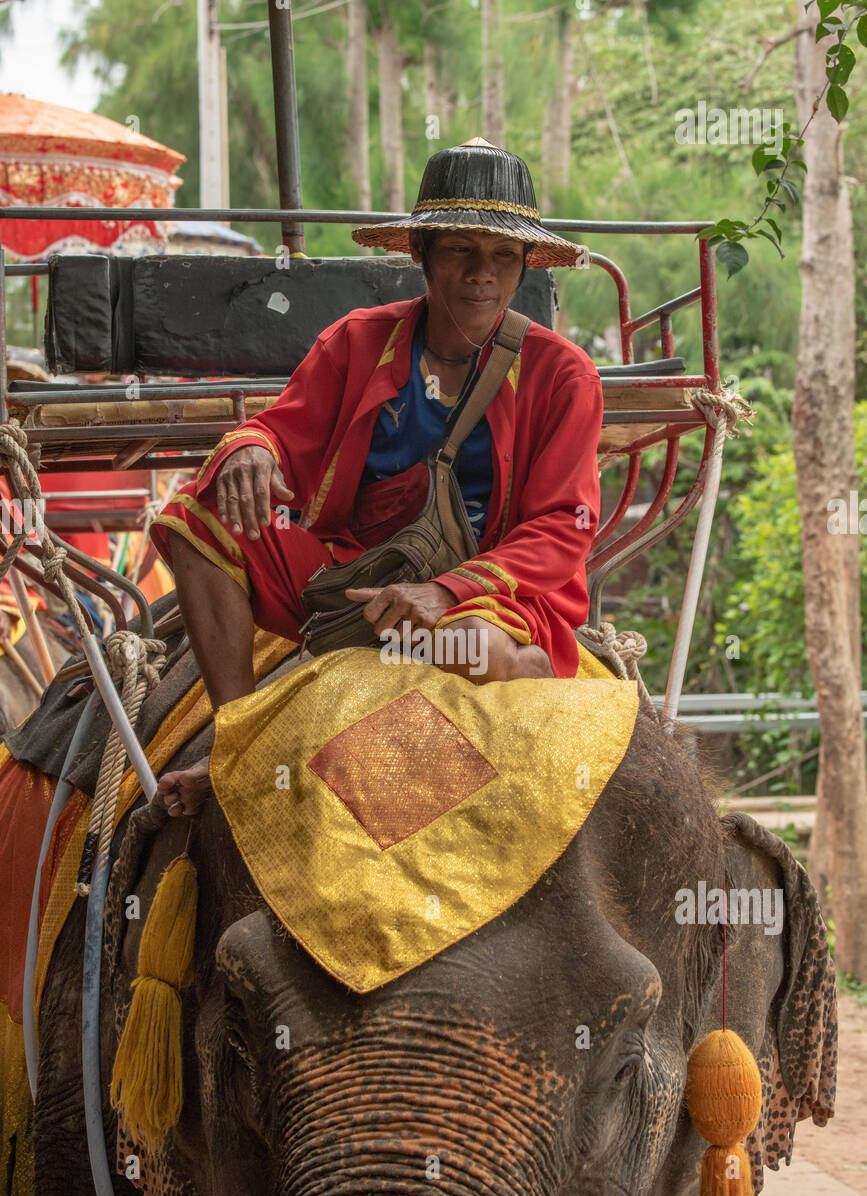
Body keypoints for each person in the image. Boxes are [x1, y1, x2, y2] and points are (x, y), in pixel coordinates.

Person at [150, 137, 603, 816]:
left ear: (523, 266)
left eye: (503, 257)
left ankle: (529, 667)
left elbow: (561, 528)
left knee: (468, 646)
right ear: (420, 256)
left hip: (492, 590)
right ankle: (238, 746)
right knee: (195, 514)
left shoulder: (562, 373)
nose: (483, 274)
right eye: (461, 252)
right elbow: (283, 429)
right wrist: (251, 446)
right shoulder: (358, 340)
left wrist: (447, 592)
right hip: (358, 574)